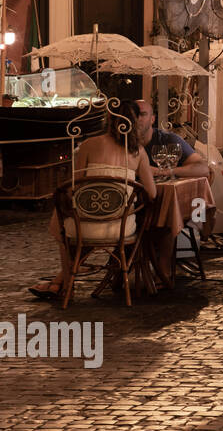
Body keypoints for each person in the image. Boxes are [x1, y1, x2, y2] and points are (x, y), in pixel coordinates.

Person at [31, 100, 157, 300]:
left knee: (61, 222)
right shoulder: (138, 152)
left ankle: (65, 285)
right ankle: (62, 281)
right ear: (134, 121)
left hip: (84, 227)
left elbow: (77, 186)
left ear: (108, 118)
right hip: (121, 227)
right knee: (70, 221)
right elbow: (152, 193)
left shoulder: (89, 145)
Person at [136, 99, 209, 178]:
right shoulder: (123, 142)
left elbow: (203, 168)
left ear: (152, 119)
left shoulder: (168, 139)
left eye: (142, 114)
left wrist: (161, 172)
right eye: (133, 114)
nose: (137, 118)